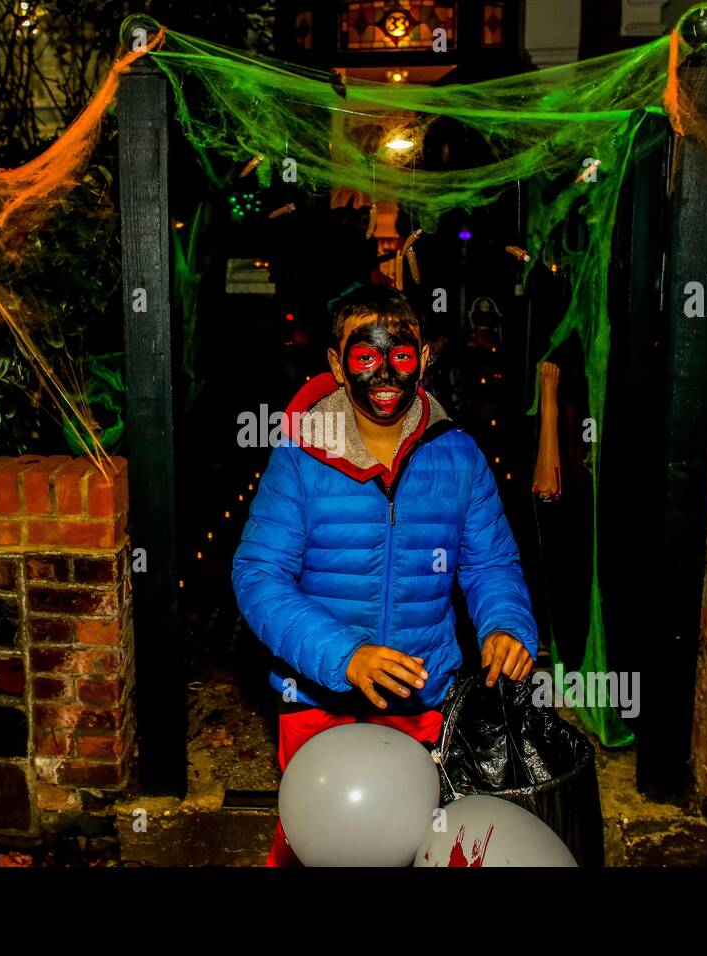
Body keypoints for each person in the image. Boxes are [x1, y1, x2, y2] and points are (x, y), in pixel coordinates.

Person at [231, 283, 539, 867]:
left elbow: (491, 562)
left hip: (423, 697)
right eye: (365, 357)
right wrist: (345, 655)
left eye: (399, 356)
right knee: (318, 842)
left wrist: (506, 624)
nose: (384, 374)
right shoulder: (299, 457)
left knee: (414, 843)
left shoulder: (459, 456)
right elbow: (258, 575)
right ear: (335, 362)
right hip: (315, 698)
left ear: (423, 357)